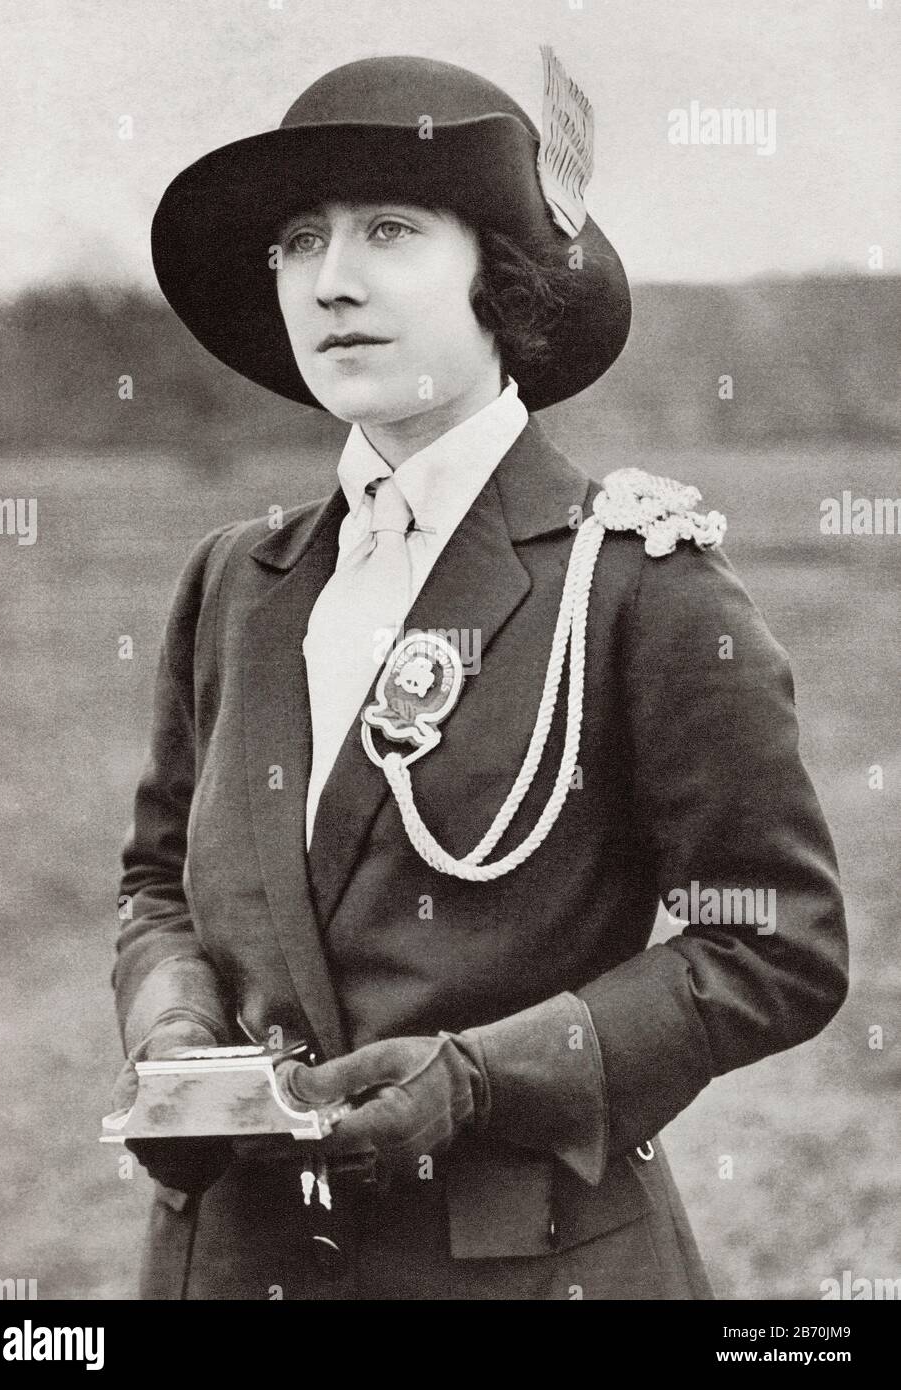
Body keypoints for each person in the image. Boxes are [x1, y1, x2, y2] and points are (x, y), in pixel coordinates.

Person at [111, 51, 849, 1300]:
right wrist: (175, 1033)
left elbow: (773, 940)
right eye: (300, 241)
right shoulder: (235, 581)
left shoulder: (637, 586)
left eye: (389, 230)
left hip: (527, 1264)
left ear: (499, 279)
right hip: (234, 1259)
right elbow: (156, 882)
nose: (333, 281)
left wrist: (483, 1077)